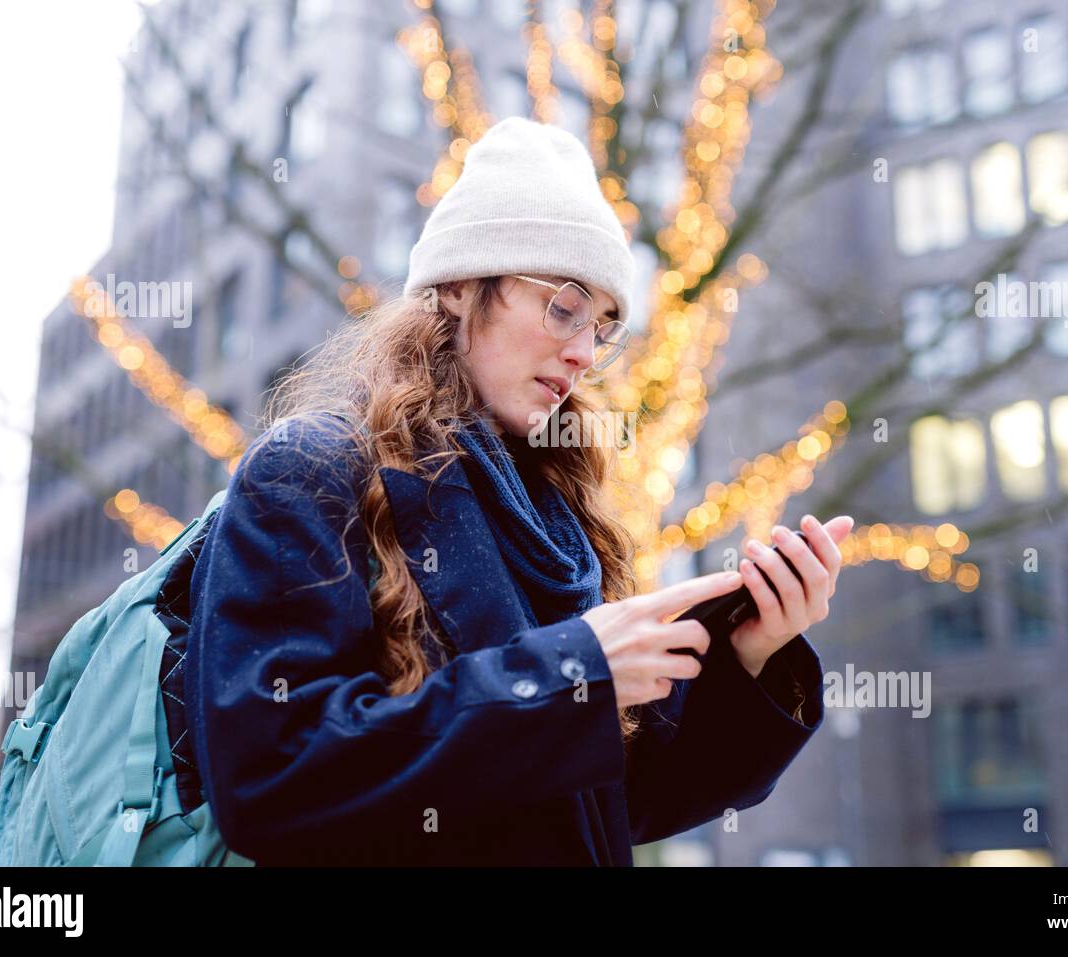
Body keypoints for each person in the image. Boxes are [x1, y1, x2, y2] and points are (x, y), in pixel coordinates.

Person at [176, 116, 855, 865]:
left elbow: (619, 805)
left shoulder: (559, 523)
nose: (583, 351)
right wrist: (572, 674)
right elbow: (272, 780)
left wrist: (754, 654)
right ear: (462, 286)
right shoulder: (311, 469)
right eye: (564, 306)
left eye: (603, 327)